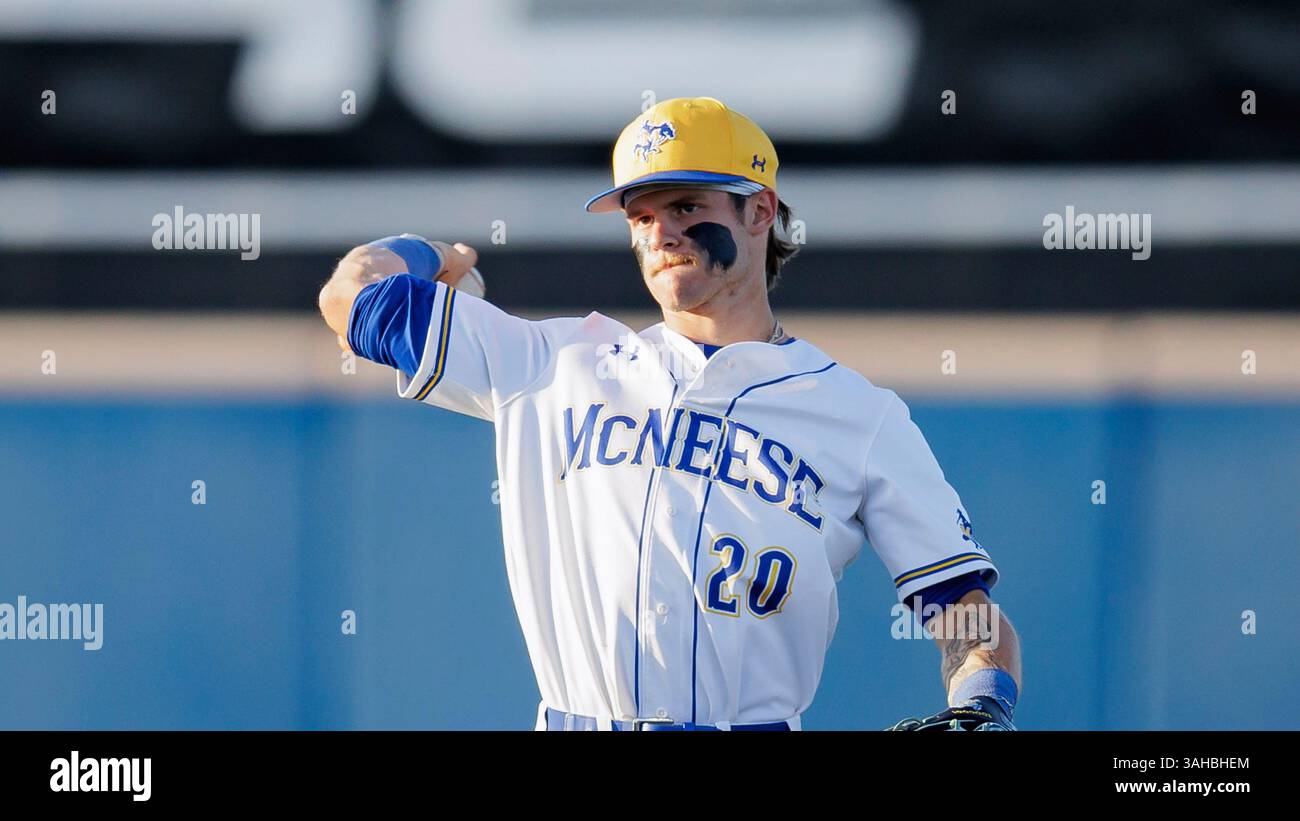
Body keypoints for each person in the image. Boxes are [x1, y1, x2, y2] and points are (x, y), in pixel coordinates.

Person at [317, 97, 1022, 731]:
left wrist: (982, 701)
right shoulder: (551, 363)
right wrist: (435, 252)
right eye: (643, 216)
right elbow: (349, 297)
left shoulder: (860, 418)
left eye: (687, 206)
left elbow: (959, 601)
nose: (662, 232)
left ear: (760, 211)